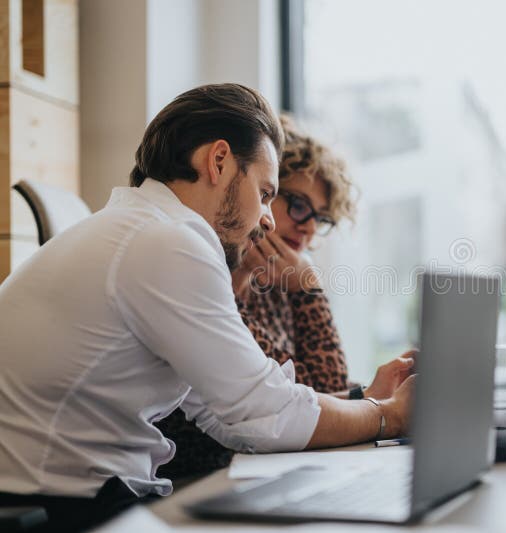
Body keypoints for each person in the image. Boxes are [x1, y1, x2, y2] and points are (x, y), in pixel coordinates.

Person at [0, 84, 414, 533]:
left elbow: (226, 414)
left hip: (69, 495)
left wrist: (370, 404)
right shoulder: (168, 240)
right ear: (218, 161)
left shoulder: (142, 230)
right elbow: (262, 413)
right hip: (60, 509)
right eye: (265, 191)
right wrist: (387, 415)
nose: (269, 218)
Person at [157, 115, 414, 479]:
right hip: (202, 478)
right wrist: (309, 288)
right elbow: (298, 409)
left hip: (260, 471)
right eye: (296, 204)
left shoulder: (274, 287)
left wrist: (372, 396)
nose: (308, 225)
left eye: (320, 218)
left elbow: (318, 396)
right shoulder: (203, 277)